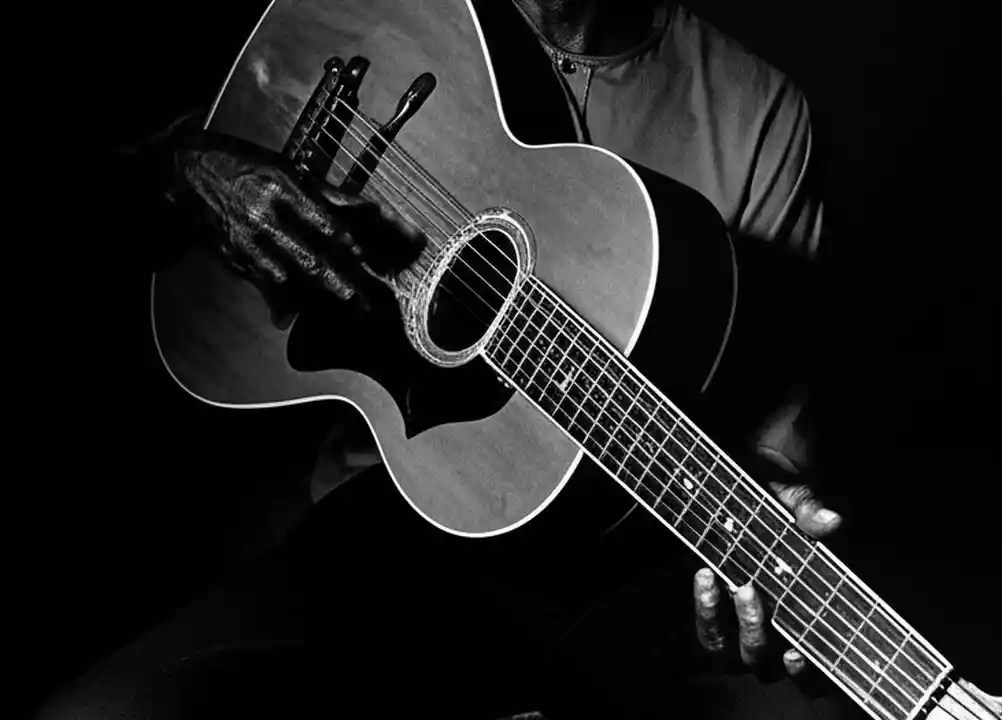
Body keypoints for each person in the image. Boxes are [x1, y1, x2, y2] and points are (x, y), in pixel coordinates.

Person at [38, 1, 849, 717]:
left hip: (625, 560)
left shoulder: (761, 110)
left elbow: (781, 411)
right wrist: (189, 165)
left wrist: (773, 503)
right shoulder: (413, 11)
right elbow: (100, 195)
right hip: (378, 536)